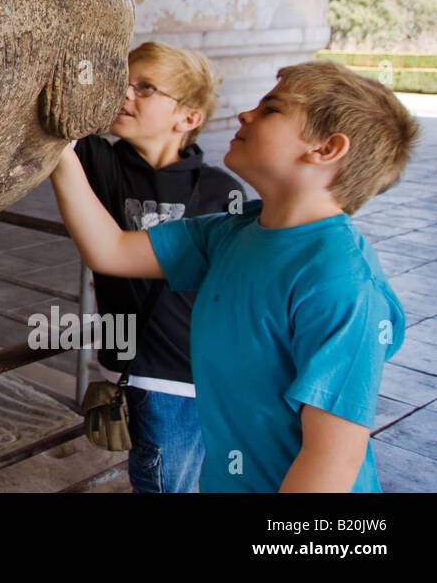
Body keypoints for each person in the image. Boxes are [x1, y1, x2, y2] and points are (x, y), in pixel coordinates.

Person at [51, 59, 418, 492]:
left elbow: (330, 465)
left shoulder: (342, 284)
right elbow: (110, 250)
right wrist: (55, 145)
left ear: (325, 148)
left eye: (271, 109)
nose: (245, 114)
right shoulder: (234, 230)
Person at [74, 42, 243, 493]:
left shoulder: (220, 191)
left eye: (145, 88)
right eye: (121, 84)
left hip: (198, 376)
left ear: (188, 117)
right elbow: (58, 124)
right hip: (138, 368)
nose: (125, 95)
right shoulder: (100, 161)